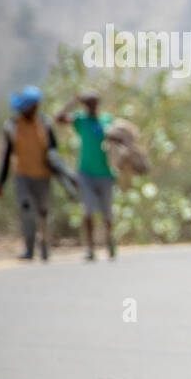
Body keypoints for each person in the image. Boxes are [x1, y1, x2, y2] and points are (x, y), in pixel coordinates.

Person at [0, 86, 56, 260]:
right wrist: (1, 182)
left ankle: (45, 246)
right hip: (22, 176)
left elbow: (53, 151)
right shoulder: (12, 127)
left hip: (43, 176)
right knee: (27, 211)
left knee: (44, 212)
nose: (35, 109)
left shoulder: (45, 124)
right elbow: (7, 155)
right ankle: (29, 249)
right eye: (32, 106)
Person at [56, 91, 117, 261]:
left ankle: (109, 240)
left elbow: (118, 140)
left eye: (93, 103)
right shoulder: (80, 120)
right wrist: (73, 102)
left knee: (107, 213)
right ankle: (90, 248)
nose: (91, 107)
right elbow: (59, 118)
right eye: (87, 103)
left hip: (106, 173)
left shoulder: (106, 121)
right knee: (88, 212)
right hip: (86, 174)